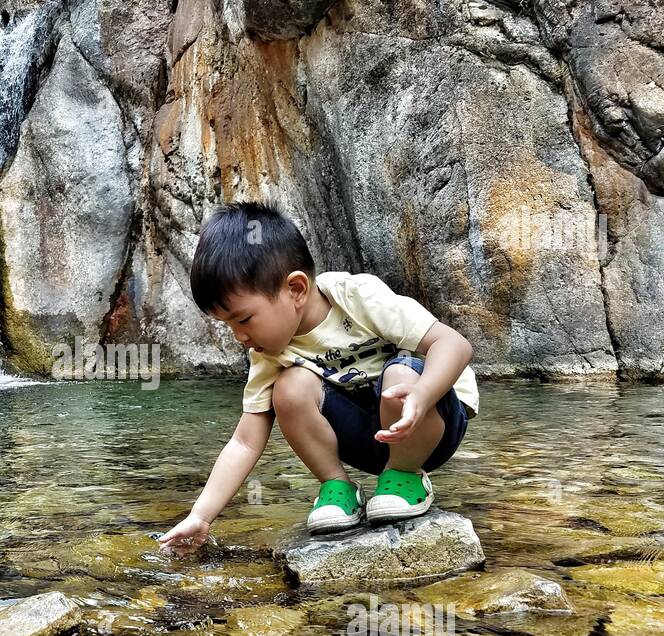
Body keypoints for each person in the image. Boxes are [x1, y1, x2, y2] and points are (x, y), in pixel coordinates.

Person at [158, 201, 479, 548]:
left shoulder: (356, 297)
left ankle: (404, 474)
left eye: (244, 319)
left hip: (431, 424)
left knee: (401, 375)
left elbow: (454, 344)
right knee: (290, 387)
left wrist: (424, 393)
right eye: (228, 325)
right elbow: (245, 441)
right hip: (369, 442)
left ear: (295, 289)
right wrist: (200, 515)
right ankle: (338, 487)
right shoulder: (270, 353)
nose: (239, 336)